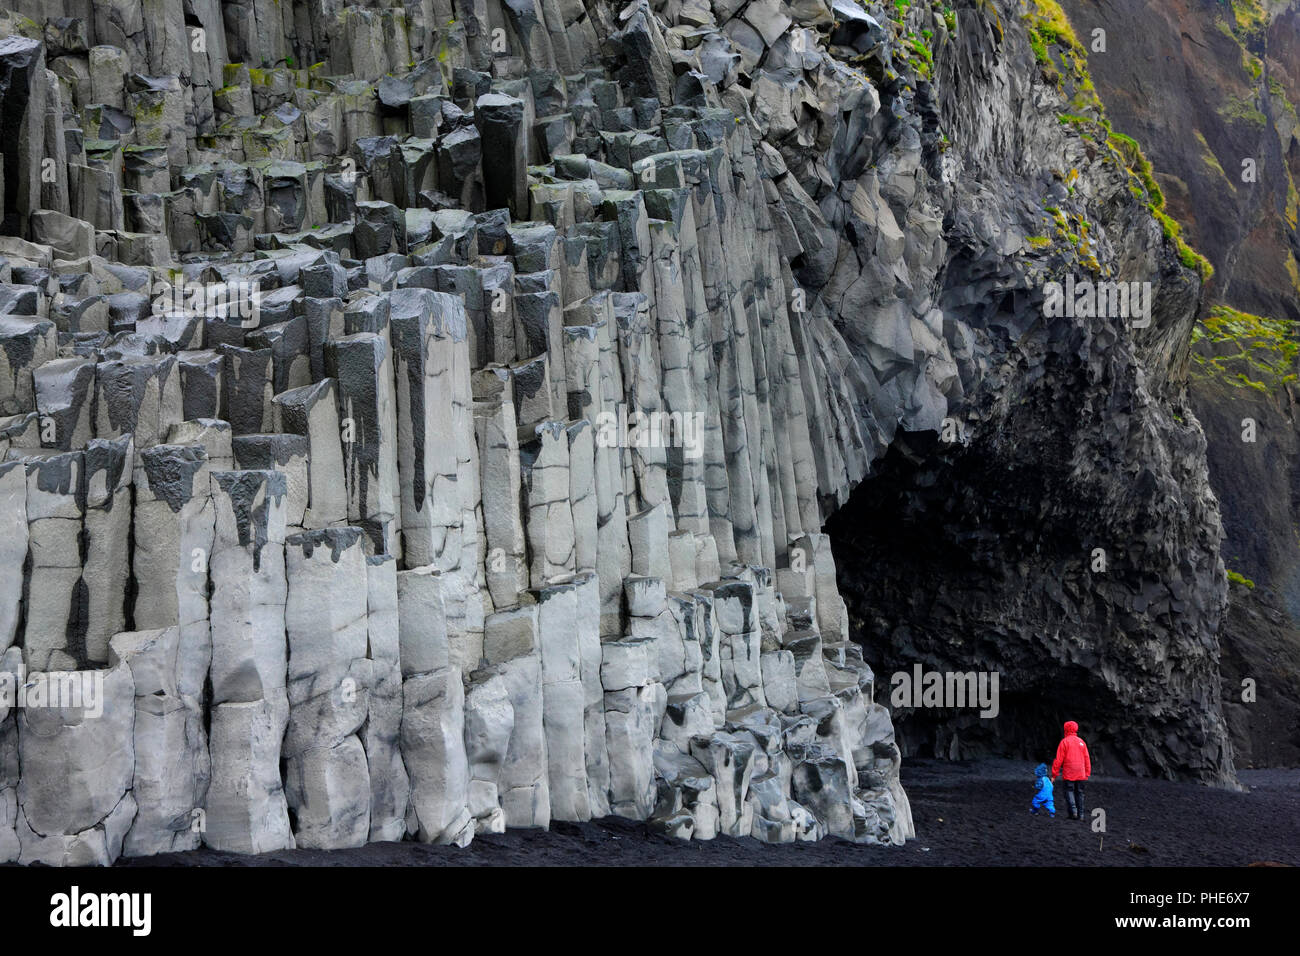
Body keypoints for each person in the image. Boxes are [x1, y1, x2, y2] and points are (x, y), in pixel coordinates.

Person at [1051, 719, 1092, 820]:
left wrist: (1054, 775)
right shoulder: (1081, 742)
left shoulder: (1064, 742)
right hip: (1081, 772)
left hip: (1069, 771)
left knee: (1068, 791)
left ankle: (1073, 812)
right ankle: (1081, 815)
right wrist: (1087, 772)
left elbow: (1058, 760)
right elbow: (1087, 758)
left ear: (1066, 729)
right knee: (1080, 792)